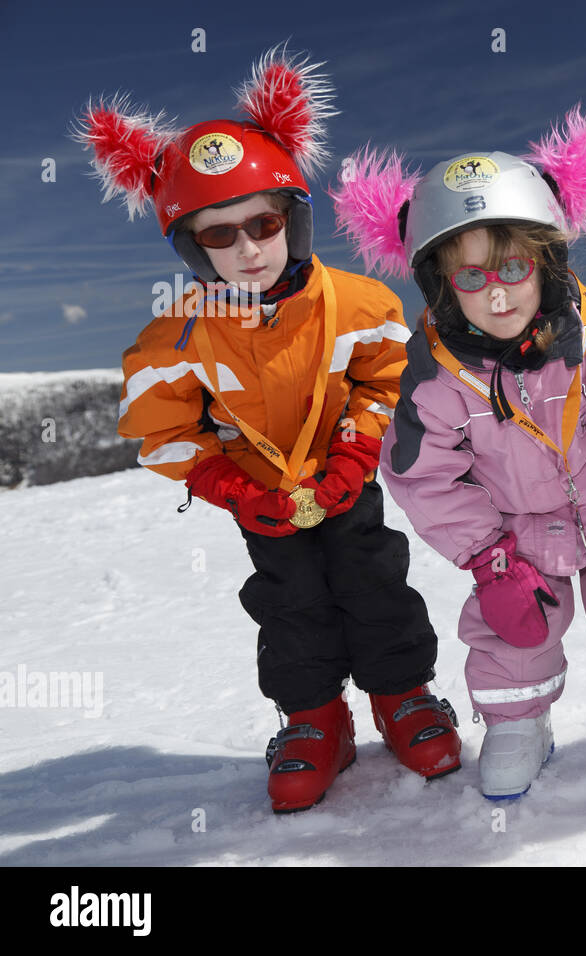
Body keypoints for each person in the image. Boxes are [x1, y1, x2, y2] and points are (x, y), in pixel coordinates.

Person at [73, 45, 461, 814]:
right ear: (190, 246)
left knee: (373, 579)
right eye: (218, 235)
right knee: (289, 600)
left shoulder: (357, 305)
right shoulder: (176, 338)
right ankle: (314, 718)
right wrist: (228, 486)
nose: (247, 248)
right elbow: (165, 435)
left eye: (263, 222)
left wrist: (354, 454)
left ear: (295, 220)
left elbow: (385, 384)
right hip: (266, 493)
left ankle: (402, 694)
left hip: (343, 483)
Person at [331, 107, 586, 799]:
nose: (498, 291)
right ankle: (519, 722)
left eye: (513, 267)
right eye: (472, 277)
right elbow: (421, 476)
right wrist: (487, 555)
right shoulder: (436, 376)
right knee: (514, 631)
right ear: (441, 288)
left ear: (546, 262)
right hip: (517, 537)